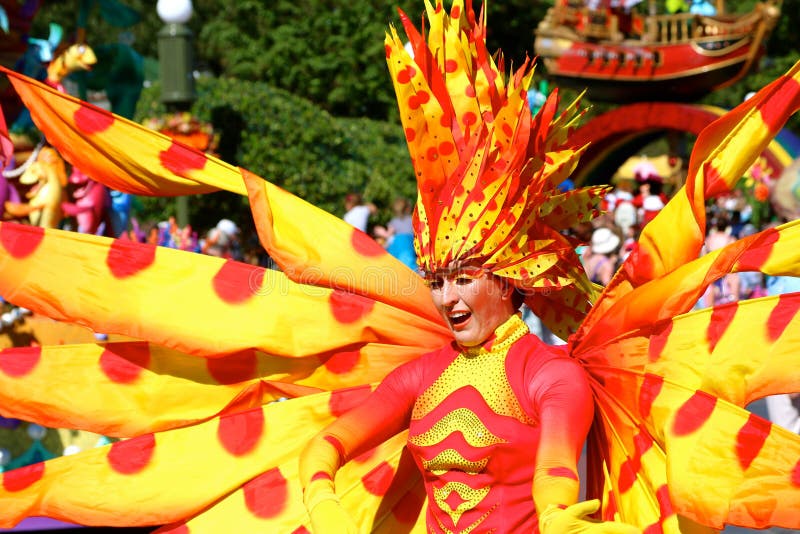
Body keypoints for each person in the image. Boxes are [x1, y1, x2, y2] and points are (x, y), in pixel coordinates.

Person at [298, 4, 637, 533]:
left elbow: (555, 467)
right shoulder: (421, 374)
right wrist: (321, 497)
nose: (446, 297)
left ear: (507, 278)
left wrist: (555, 514)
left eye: (463, 278)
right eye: (435, 281)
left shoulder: (550, 375)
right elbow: (328, 443)